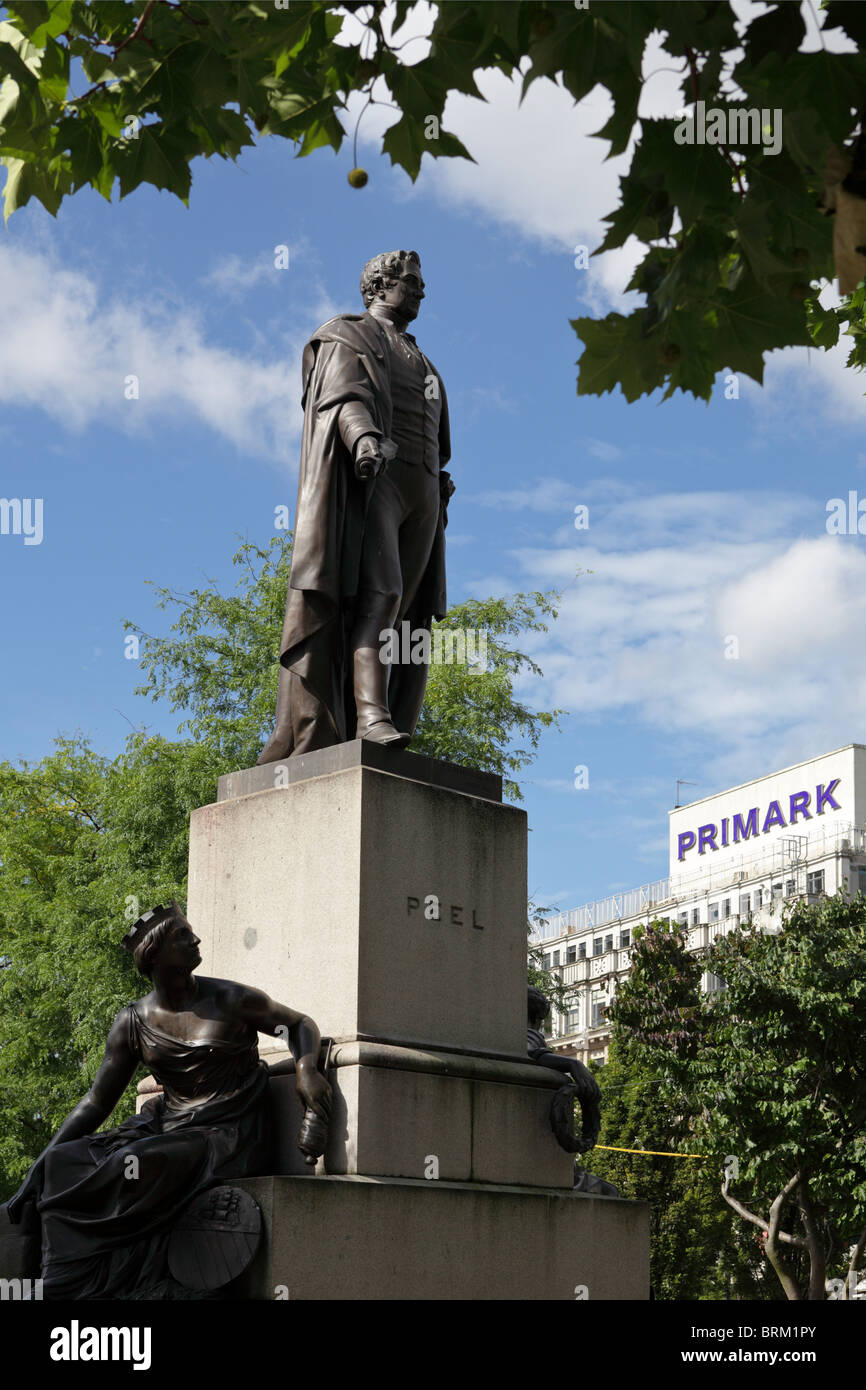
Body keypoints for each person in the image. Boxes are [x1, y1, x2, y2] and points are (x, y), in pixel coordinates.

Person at [1, 903, 331, 1299]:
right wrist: (37, 1166)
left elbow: (297, 1024)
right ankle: (64, 1279)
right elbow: (96, 1102)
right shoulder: (133, 1022)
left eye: (190, 932)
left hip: (228, 1133)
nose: (195, 939)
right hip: (169, 1126)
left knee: (134, 1164)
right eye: (181, 935)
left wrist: (306, 1069)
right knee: (62, 1163)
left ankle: (92, 1284)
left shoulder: (229, 998)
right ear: (154, 954)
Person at [258, 248, 454, 762]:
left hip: (425, 493)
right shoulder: (349, 335)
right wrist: (363, 438)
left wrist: (442, 485)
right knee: (382, 595)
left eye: (420, 281)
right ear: (379, 286)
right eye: (411, 280)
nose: (420, 289)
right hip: (378, 481)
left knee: (410, 618)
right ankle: (370, 718)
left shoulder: (425, 361)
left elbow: (437, 435)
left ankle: (387, 713)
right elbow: (341, 398)